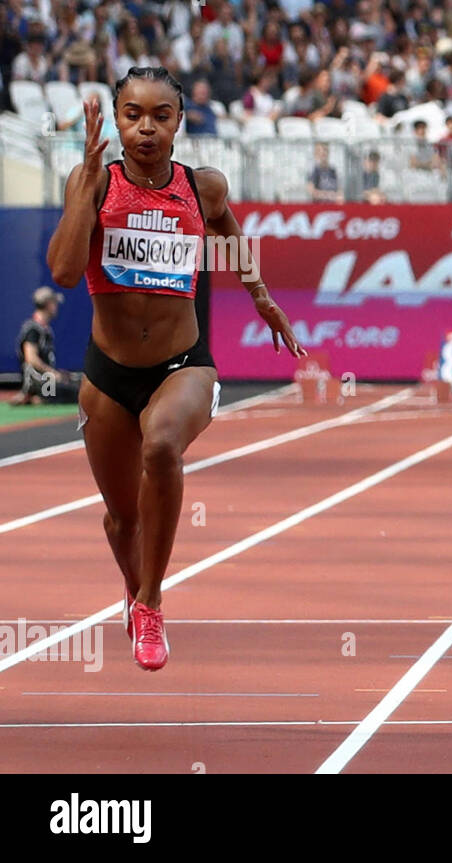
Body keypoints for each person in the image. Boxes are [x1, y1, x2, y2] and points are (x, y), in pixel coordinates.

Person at [44, 67, 303, 671]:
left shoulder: (203, 187)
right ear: (116, 120)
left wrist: (261, 295)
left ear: (179, 123)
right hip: (107, 372)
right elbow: (61, 272)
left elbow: (229, 231)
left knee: (161, 448)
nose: (146, 128)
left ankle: (152, 602)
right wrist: (84, 182)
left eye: (161, 116)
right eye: (133, 114)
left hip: (182, 364)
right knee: (120, 520)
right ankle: (135, 594)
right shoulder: (92, 183)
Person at [11, 287, 75, 405]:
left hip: (47, 380)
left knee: (75, 384)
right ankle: (37, 397)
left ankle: (39, 397)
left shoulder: (45, 330)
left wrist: (58, 373)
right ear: (48, 304)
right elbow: (31, 359)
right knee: (74, 394)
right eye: (54, 303)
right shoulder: (33, 329)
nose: (56, 307)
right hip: (40, 382)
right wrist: (53, 373)